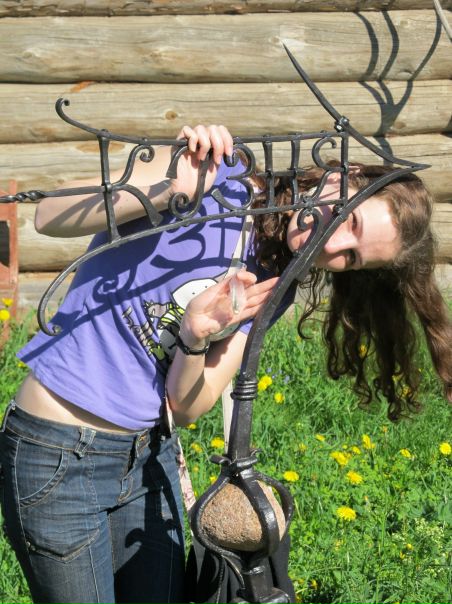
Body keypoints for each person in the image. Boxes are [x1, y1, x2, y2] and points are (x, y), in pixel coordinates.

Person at [0, 124, 450, 604]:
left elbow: (186, 406)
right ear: (343, 176)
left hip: (148, 460)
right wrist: (172, 186)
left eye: (353, 258)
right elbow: (49, 215)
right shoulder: (215, 173)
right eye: (352, 222)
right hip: (57, 454)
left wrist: (195, 338)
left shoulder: (275, 281)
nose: (333, 246)